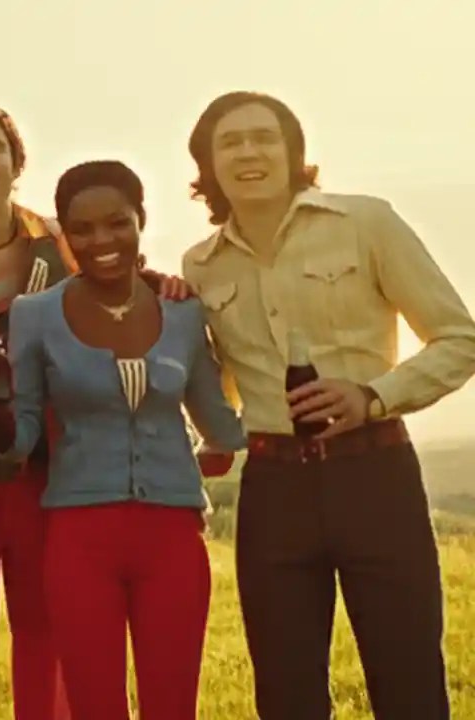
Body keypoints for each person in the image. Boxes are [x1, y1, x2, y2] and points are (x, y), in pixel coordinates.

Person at [0, 101, 191, 720]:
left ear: (16, 164)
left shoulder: (61, 242)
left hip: (49, 473)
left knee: (48, 638)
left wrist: (164, 284)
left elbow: (120, 279)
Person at [182, 90, 475, 720]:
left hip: (376, 477)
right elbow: (219, 387)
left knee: (409, 681)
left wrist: (372, 396)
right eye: (229, 142)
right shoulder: (200, 266)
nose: (249, 152)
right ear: (208, 165)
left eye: (264, 137)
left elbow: (460, 338)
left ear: (294, 152)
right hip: (273, 492)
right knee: (285, 693)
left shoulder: (366, 223)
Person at [0, 160, 246, 719]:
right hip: (79, 537)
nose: (102, 240)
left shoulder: (183, 311)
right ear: (64, 236)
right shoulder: (35, 315)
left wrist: (261, 406)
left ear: (141, 222)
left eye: (118, 223)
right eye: (82, 229)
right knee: (94, 705)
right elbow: (22, 431)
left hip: (172, 536)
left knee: (173, 705)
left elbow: (219, 422)